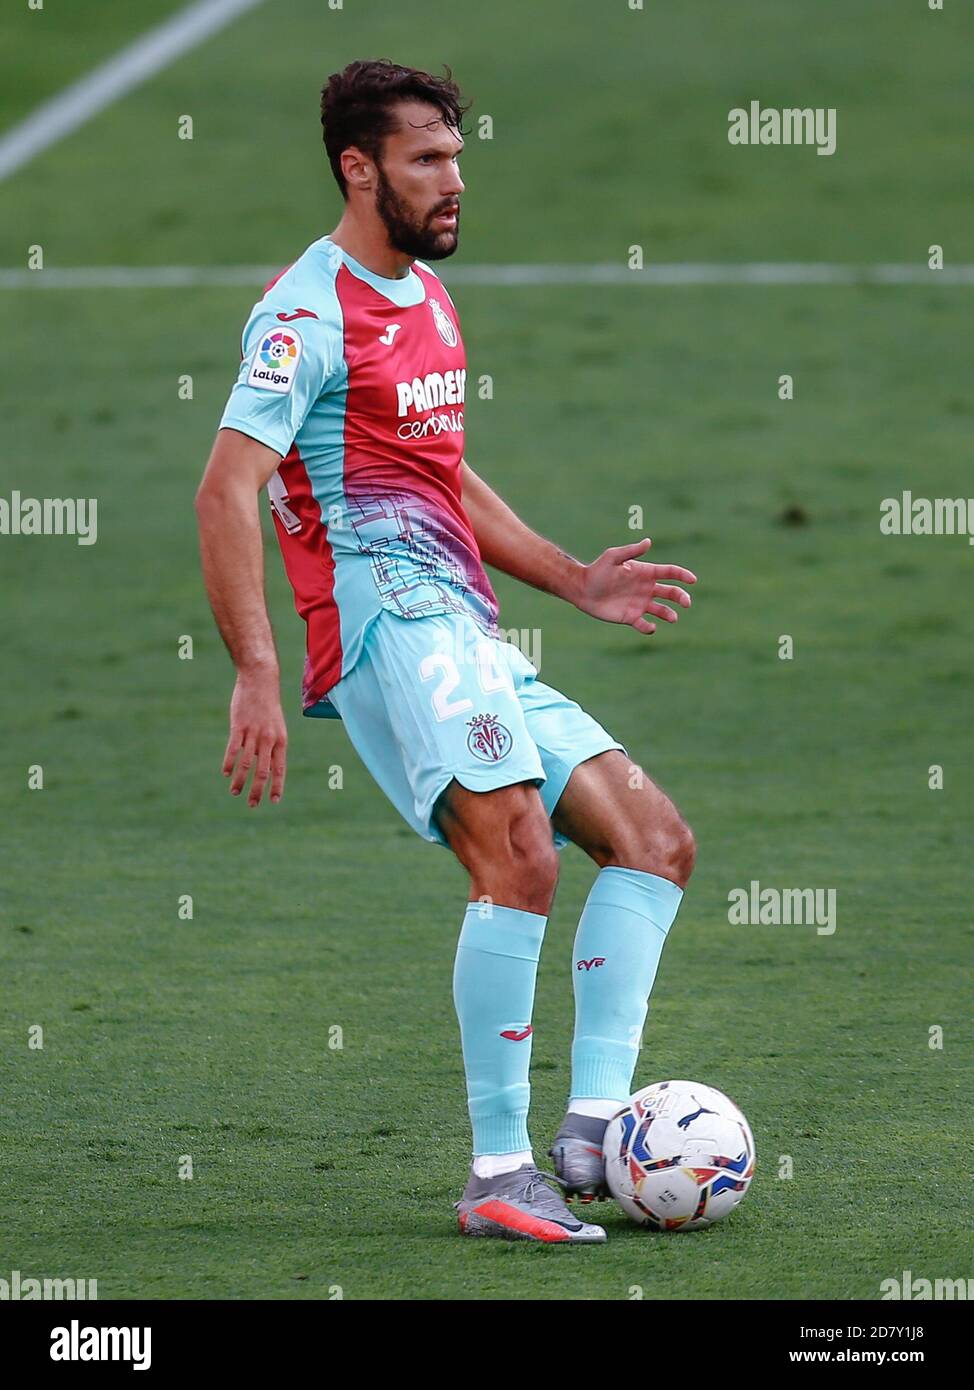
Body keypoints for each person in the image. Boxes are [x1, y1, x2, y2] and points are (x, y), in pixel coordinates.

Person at [196, 59, 697, 1243]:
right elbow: (228, 490)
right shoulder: (302, 314)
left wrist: (571, 577)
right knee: (518, 853)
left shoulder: (425, 297)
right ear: (357, 169)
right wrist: (257, 671)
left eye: (457, 156)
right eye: (426, 160)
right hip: (385, 629)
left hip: (462, 625)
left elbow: (438, 472)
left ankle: (589, 1126)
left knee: (653, 840)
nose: (453, 180)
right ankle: (494, 1169)